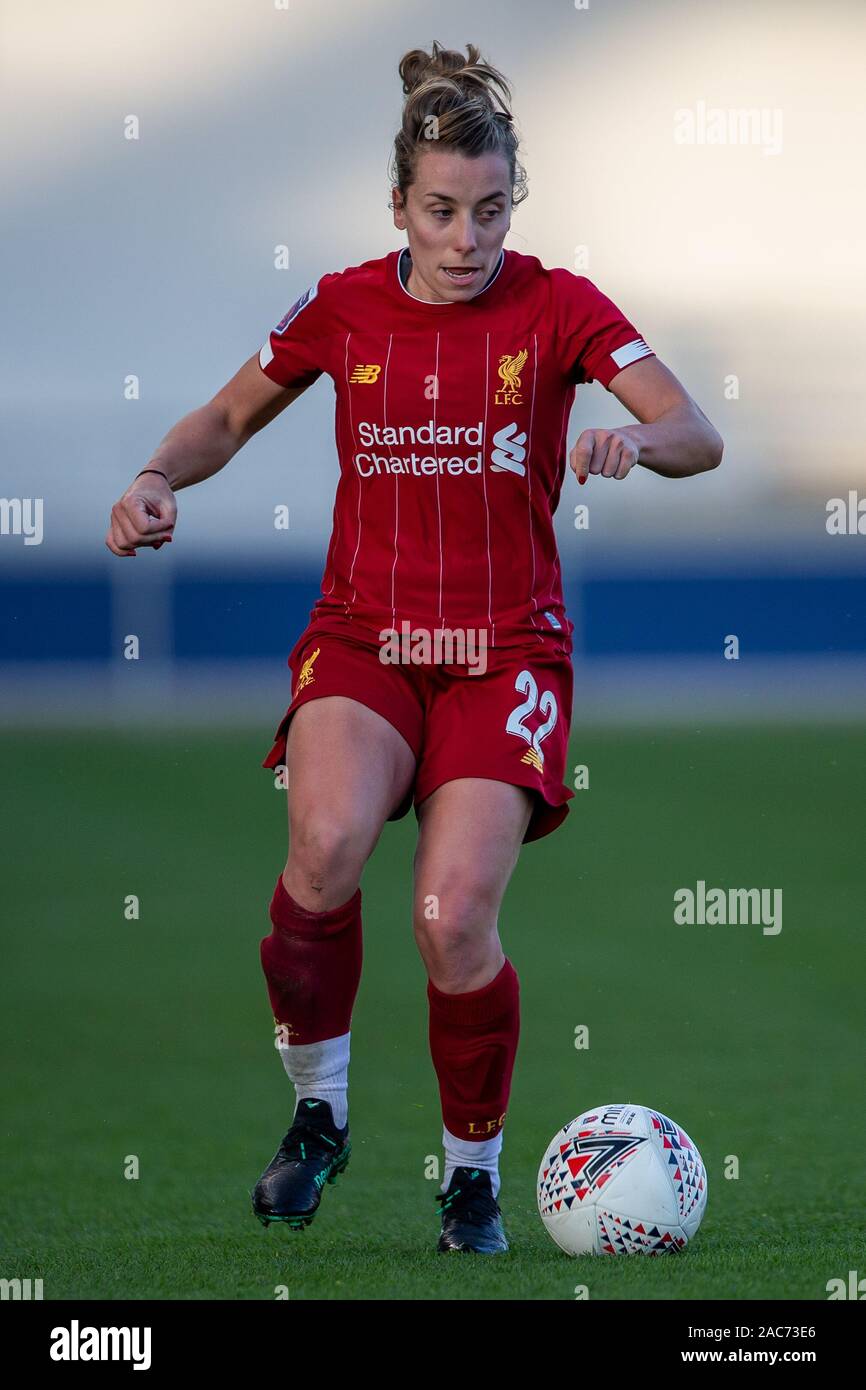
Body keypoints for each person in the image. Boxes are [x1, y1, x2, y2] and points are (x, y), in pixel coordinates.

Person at [105, 40, 723, 1254]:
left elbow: (693, 430)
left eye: (489, 210)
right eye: (440, 211)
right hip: (366, 639)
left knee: (449, 915)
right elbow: (229, 414)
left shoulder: (560, 305)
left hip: (504, 655)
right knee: (324, 840)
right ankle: (320, 1114)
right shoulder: (340, 306)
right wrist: (152, 475)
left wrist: (629, 444)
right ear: (398, 205)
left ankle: (474, 1178)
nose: (465, 238)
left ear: (512, 203)